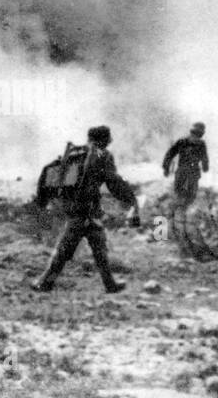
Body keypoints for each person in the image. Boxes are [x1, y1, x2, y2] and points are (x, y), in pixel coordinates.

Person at [32, 125, 140, 293]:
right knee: (67, 249)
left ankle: (109, 284)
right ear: (104, 140)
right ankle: (45, 283)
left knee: (98, 246)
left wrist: (42, 201)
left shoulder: (76, 154)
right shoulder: (102, 155)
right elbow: (114, 182)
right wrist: (130, 199)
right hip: (87, 210)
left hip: (75, 208)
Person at [162, 122, 209, 231]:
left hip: (183, 172)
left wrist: (166, 167)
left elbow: (170, 154)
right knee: (189, 198)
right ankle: (178, 224)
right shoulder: (200, 144)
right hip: (191, 173)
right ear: (201, 133)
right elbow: (205, 159)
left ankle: (172, 224)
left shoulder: (183, 141)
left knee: (179, 197)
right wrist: (205, 167)